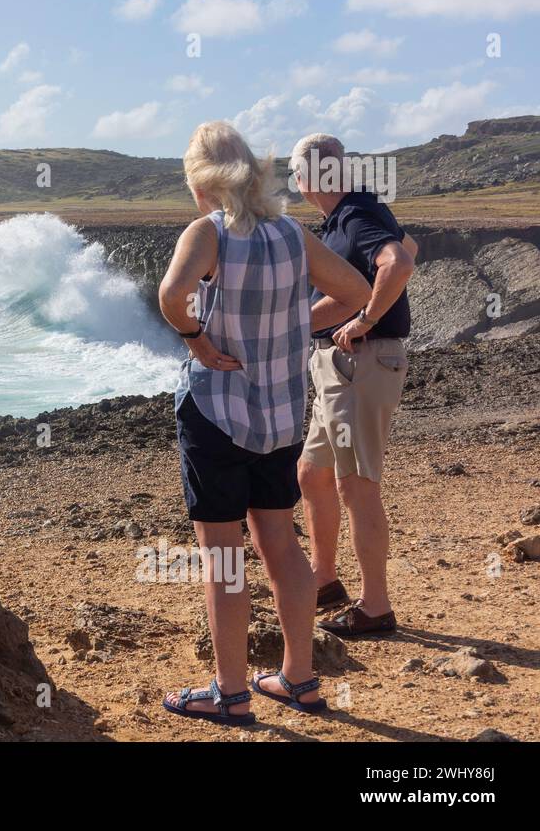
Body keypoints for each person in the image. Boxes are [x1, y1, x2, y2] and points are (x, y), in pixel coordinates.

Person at [159, 122, 370, 725]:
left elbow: (172, 296)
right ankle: (299, 679)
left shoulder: (209, 233)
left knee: (223, 558)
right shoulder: (291, 234)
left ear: (202, 184)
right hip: (280, 416)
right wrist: (296, 323)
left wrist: (197, 340)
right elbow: (355, 291)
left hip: (218, 414)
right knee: (281, 542)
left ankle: (230, 692)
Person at [291, 133, 419, 637]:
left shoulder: (358, 214)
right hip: (339, 367)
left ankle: (376, 608)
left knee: (356, 486)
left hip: (360, 364)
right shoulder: (348, 216)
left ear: (306, 179)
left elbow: (399, 261)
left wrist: (365, 320)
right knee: (311, 474)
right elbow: (410, 245)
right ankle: (325, 580)